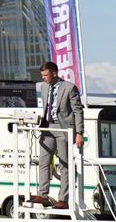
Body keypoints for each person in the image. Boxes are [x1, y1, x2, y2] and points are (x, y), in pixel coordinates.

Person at [32, 61, 85, 207]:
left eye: (45, 75)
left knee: (64, 164)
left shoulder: (69, 87)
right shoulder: (43, 87)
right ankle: (42, 195)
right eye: (42, 75)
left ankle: (63, 199)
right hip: (47, 127)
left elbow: (78, 111)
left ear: (55, 74)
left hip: (63, 128)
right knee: (43, 161)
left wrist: (79, 132)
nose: (43, 78)